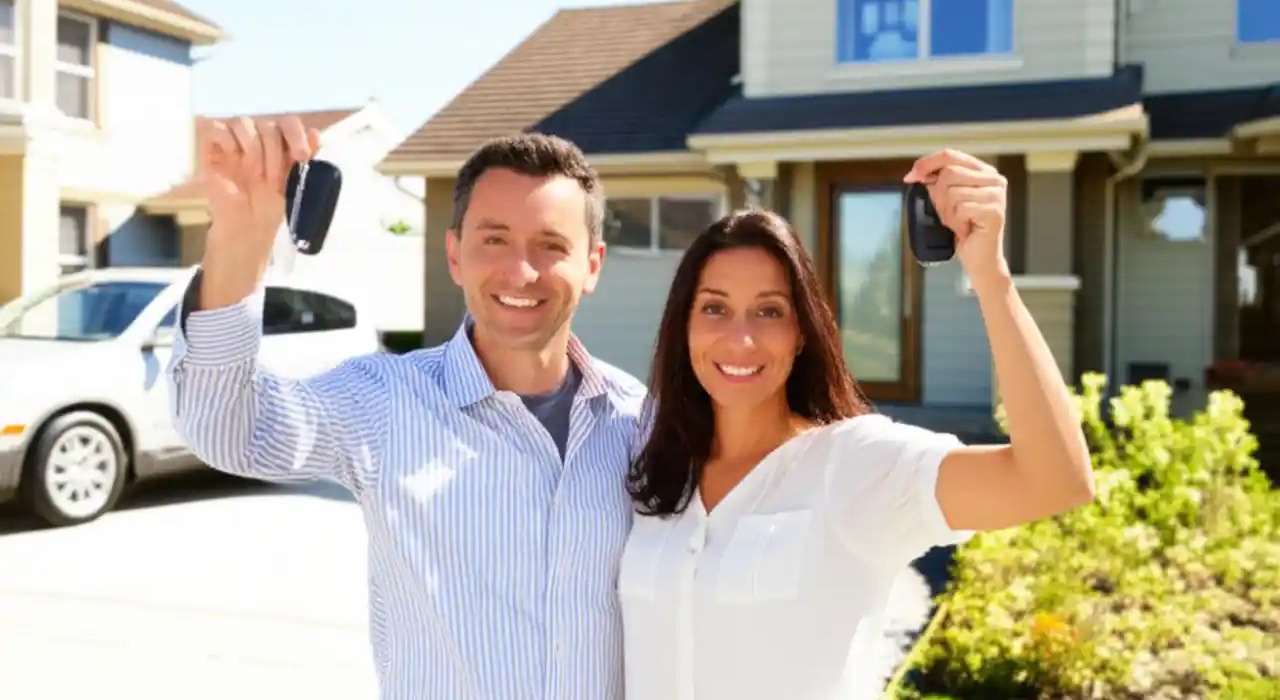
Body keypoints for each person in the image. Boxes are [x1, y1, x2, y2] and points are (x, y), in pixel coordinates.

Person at [166, 116, 647, 699]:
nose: (521, 271)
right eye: (493, 239)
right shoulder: (385, 401)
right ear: (454, 255)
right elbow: (226, 431)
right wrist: (240, 248)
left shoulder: (639, 422)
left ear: (591, 264)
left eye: (550, 246)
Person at [618, 150, 1096, 700]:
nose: (740, 338)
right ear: (684, 327)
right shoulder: (649, 463)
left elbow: (1055, 480)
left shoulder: (854, 465)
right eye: (714, 308)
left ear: (802, 334)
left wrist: (990, 274)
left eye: (770, 310)